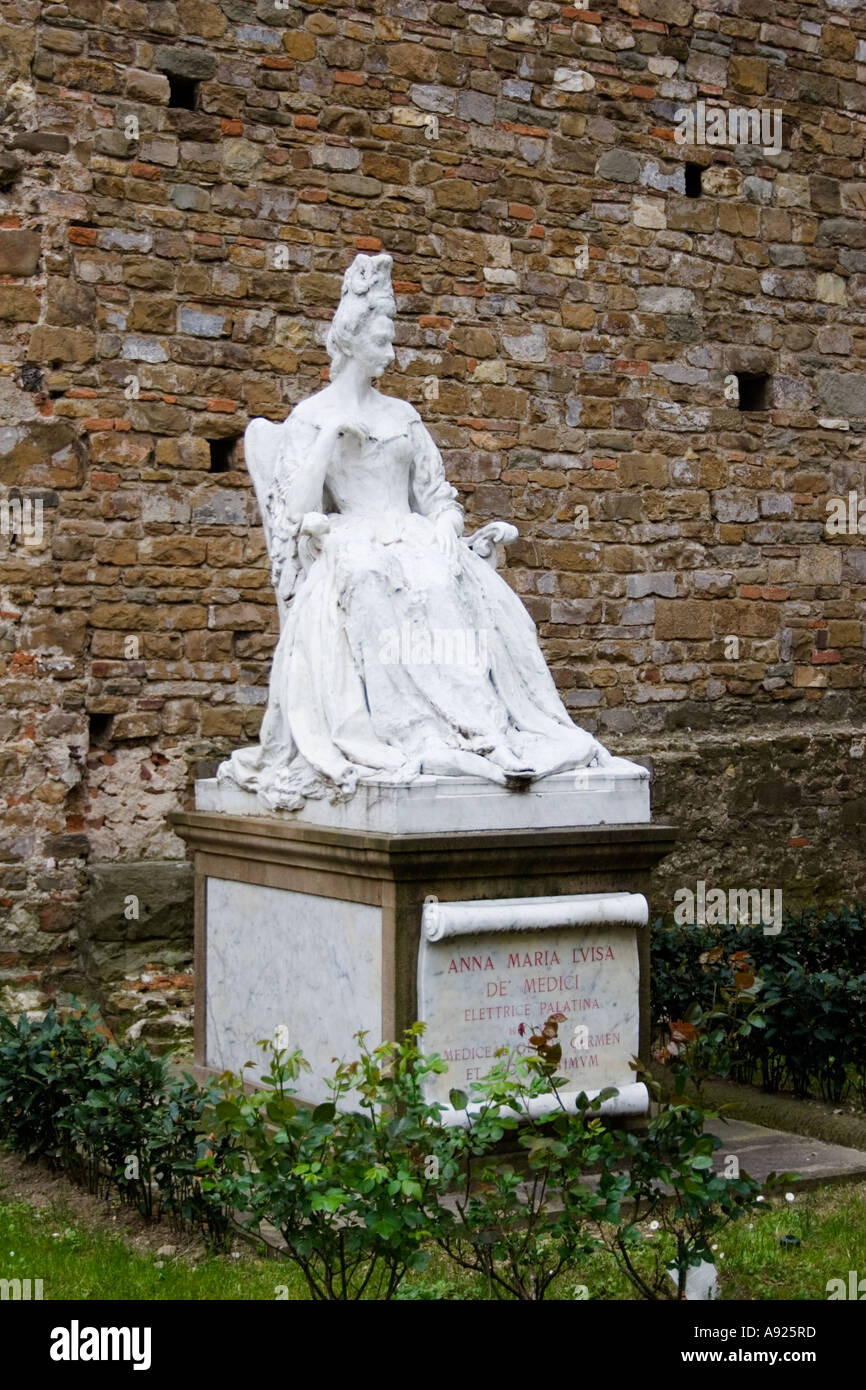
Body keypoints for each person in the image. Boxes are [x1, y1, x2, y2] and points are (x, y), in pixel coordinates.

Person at [219, 251, 610, 810]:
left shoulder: (403, 415)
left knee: (449, 581)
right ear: (352, 340)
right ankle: (419, 733)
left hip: (414, 539)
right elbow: (296, 516)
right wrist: (330, 437)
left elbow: (440, 500)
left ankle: (485, 734)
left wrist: (451, 530)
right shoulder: (310, 418)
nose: (393, 351)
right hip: (349, 543)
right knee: (373, 578)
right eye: (383, 340)